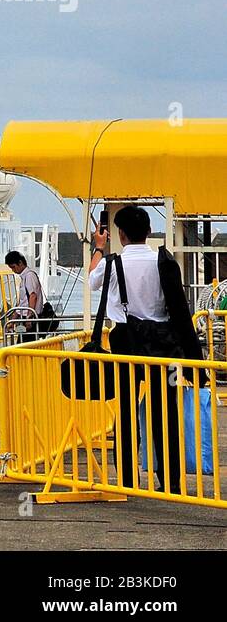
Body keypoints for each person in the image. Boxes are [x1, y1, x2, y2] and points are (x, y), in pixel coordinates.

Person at [89, 205, 199, 495]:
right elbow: (178, 308)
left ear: (120, 234)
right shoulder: (163, 262)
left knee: (125, 411)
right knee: (166, 412)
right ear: (149, 231)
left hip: (125, 341)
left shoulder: (112, 265)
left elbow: (91, 281)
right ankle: (170, 481)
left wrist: (98, 248)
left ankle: (128, 479)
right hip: (165, 347)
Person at [5, 250, 45, 329]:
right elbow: (23, 303)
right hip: (24, 317)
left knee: (27, 340)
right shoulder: (24, 277)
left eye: (13, 267)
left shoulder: (29, 276)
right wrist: (13, 320)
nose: (13, 270)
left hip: (31, 318)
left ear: (20, 263)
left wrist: (29, 318)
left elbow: (33, 296)